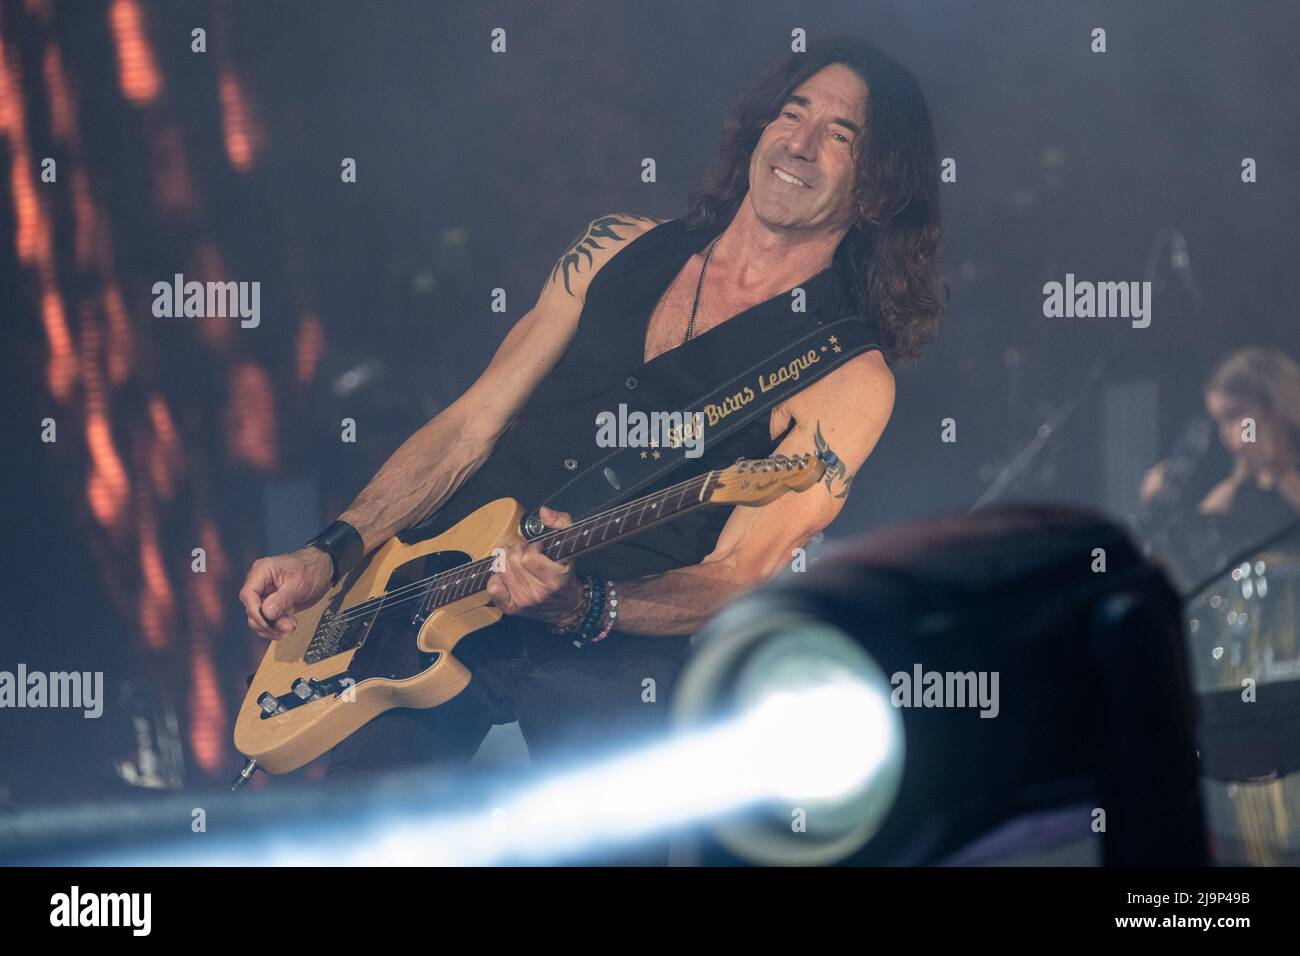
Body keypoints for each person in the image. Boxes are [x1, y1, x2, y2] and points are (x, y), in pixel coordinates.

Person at [237, 37, 947, 797]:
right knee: (352, 831)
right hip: (432, 590)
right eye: (793, 113)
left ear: (876, 191)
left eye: (840, 137)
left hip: (616, 650)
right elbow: (468, 426)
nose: (799, 145)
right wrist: (333, 549)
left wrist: (586, 604)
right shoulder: (616, 246)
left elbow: (737, 576)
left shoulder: (846, 372)